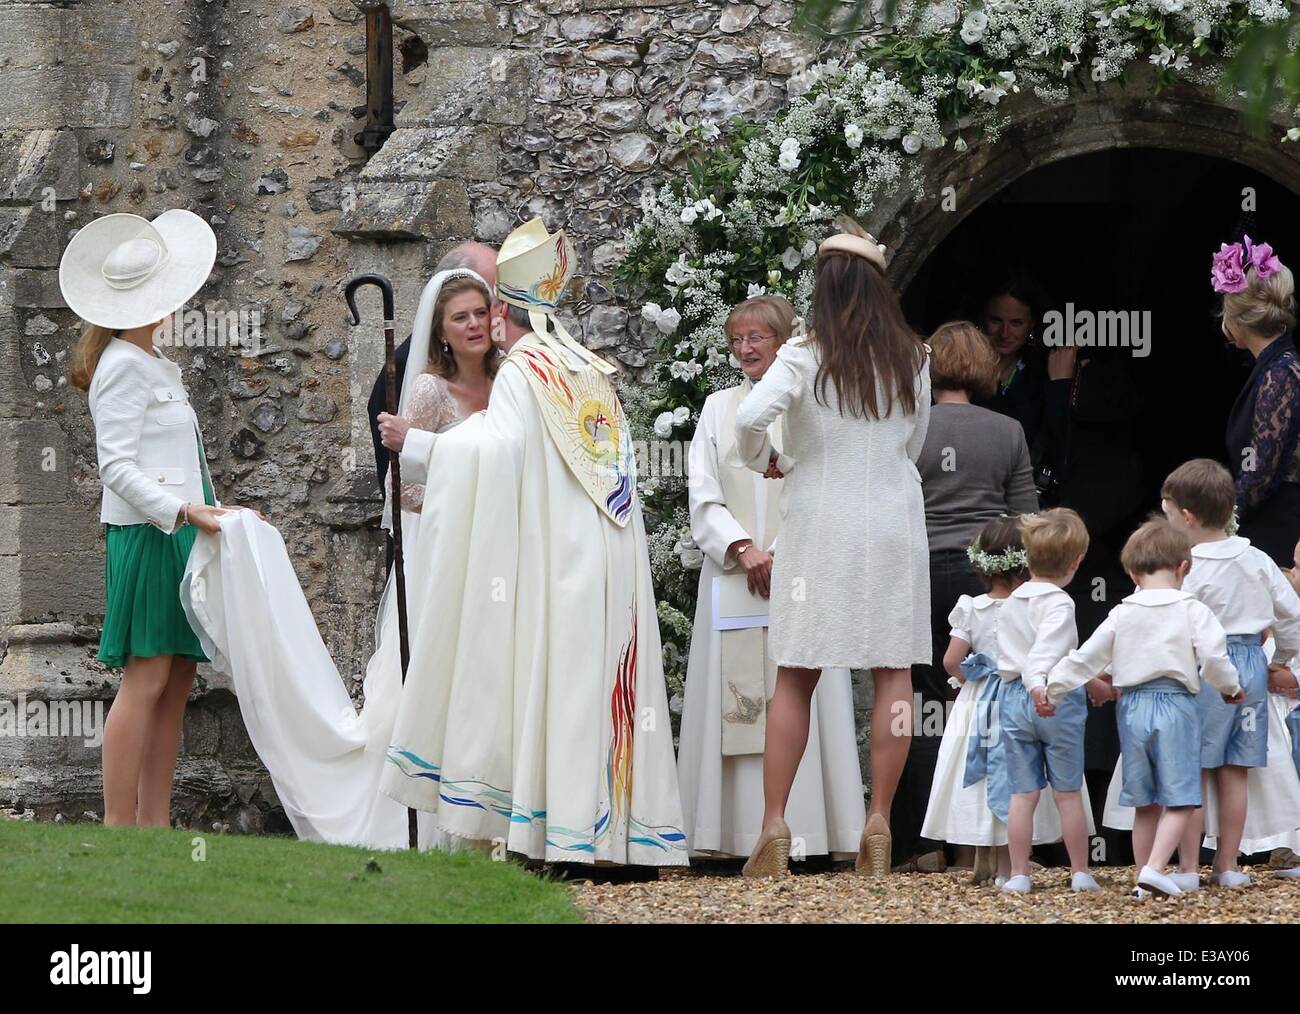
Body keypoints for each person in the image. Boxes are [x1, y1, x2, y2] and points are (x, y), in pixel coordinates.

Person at [377, 218, 687, 865]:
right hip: (611, 560)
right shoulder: (585, 367)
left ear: (501, 312)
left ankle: (566, 839)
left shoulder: (522, 371)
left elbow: (499, 454)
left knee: (566, 695)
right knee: (605, 693)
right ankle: (616, 843)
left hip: (558, 565)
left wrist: (422, 446)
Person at [733, 220, 931, 878]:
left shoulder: (802, 355)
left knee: (796, 672)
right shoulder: (914, 356)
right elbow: (914, 447)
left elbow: (746, 420)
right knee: (893, 672)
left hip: (819, 522)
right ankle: (878, 825)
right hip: (893, 523)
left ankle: (774, 827)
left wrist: (773, 460)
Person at [61, 209, 247, 826]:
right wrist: (182, 510)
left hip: (180, 534)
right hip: (146, 536)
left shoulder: (153, 362)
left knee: (177, 679)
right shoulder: (119, 367)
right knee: (146, 678)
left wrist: (207, 508)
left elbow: (177, 457)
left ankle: (155, 823)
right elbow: (115, 466)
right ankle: (119, 824)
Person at [678, 295, 864, 862]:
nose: (745, 349)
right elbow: (702, 489)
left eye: (757, 338)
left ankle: (811, 831)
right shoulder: (716, 408)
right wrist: (744, 549)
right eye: (737, 340)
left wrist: (782, 552)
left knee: (803, 688)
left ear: (784, 341)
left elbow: (826, 484)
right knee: (735, 703)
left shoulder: (812, 405)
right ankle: (730, 836)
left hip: (801, 571)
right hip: (736, 575)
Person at [902, 321, 1038, 870]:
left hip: (916, 572)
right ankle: (990, 838)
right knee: (989, 704)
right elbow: (1026, 518)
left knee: (920, 702)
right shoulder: (1007, 431)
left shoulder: (909, 427)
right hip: (988, 577)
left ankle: (925, 841)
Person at [1047, 519, 1241, 898]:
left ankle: (1143, 876)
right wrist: (1230, 688)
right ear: (1184, 568)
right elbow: (1215, 656)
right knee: (1183, 797)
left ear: (1132, 572)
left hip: (1131, 707)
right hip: (1176, 704)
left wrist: (1052, 690)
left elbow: (1086, 658)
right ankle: (1154, 869)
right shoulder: (1192, 609)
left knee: (1144, 801)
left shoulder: (1121, 611)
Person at [1161, 458, 1300, 886]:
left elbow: (1170, 619)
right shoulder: (1257, 558)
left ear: (1186, 517)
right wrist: (1286, 658)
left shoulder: (1188, 566)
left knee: (1195, 769)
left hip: (1204, 668)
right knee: (1235, 770)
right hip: (1252, 670)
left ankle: (1187, 868)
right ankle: (1228, 866)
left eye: (1168, 517)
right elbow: (1291, 616)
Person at [920, 517, 1072, 886]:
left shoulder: (972, 607)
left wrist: (973, 673)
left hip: (980, 703)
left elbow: (951, 661)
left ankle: (987, 857)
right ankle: (1013, 863)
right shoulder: (1039, 605)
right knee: (1024, 768)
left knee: (985, 773)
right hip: (1024, 694)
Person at [367, 242, 499, 566]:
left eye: (482, 310)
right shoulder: (422, 383)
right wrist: (471, 507)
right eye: (460, 316)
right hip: (445, 547)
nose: (475, 323)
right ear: (441, 330)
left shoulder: (509, 376)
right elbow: (401, 486)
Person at [996, 508, 1099, 894]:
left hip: (1012, 699)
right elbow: (1047, 651)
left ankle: (1020, 873)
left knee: (1022, 794)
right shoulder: (1060, 603)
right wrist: (1040, 685)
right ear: (1075, 561)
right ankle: (1079, 872)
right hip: (1052, 698)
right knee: (1068, 792)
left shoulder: (1012, 599)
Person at [1214, 235, 1300, 567]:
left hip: (1278, 534)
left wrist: (1217, 523)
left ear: (1237, 318)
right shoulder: (1278, 365)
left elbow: (1260, 473)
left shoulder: (1280, 373)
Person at [970, 269, 1074, 500]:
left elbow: (1059, 454)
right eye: (996, 320)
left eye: (1016, 323)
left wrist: (1060, 387)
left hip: (1019, 501)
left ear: (1032, 325)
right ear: (982, 318)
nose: (1005, 333)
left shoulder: (1041, 374)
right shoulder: (962, 368)